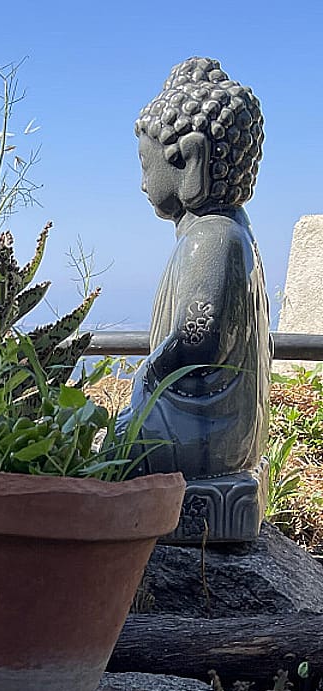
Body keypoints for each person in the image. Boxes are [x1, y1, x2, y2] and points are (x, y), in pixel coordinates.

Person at [119, 57, 271, 540]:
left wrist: (152, 368)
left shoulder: (213, 238)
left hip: (206, 429)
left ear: (190, 160)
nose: (143, 183)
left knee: (107, 446)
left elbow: (200, 337)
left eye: (147, 165)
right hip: (214, 425)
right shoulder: (227, 233)